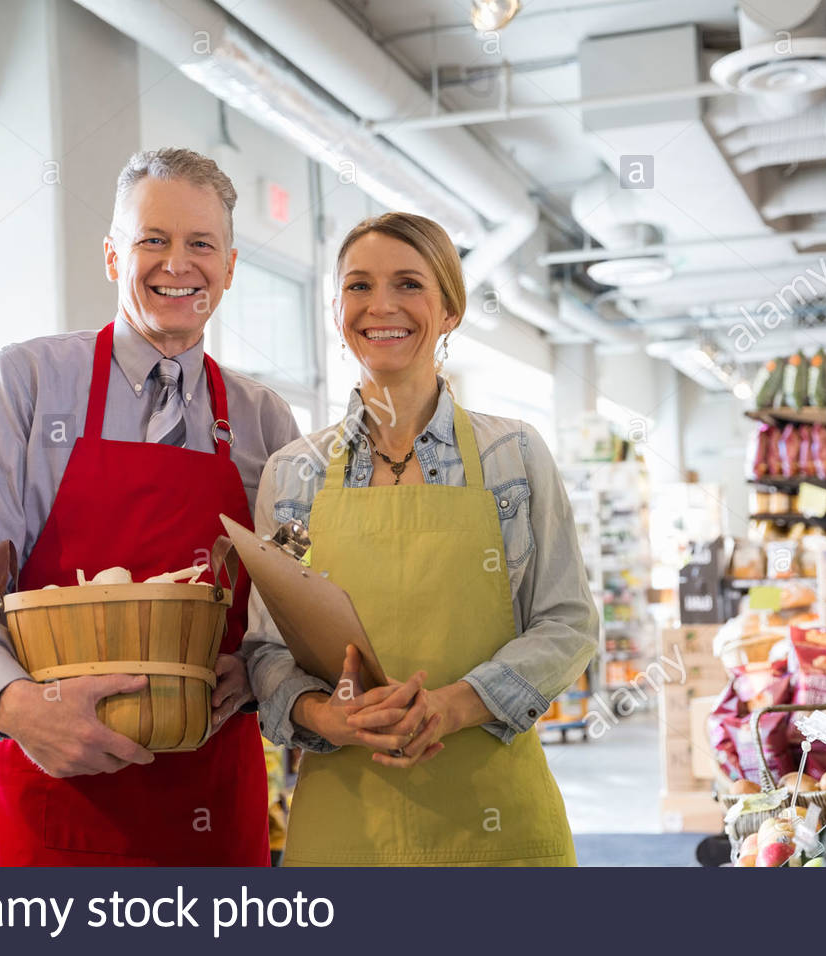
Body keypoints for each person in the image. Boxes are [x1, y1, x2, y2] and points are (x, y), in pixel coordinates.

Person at [0, 147, 300, 866]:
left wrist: (257, 670)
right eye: (152, 239)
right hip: (50, 799)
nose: (176, 264)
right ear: (113, 256)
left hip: (210, 807)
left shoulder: (265, 421)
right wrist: (18, 708)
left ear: (231, 267)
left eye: (200, 244)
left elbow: (296, 592)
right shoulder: (27, 385)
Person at [247, 212, 599, 866]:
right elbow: (265, 650)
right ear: (335, 310)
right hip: (345, 829)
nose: (381, 305)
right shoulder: (292, 474)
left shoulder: (513, 456)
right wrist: (329, 719)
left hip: (499, 833)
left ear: (450, 310)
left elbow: (568, 622)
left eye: (409, 284)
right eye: (359, 286)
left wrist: (451, 707)